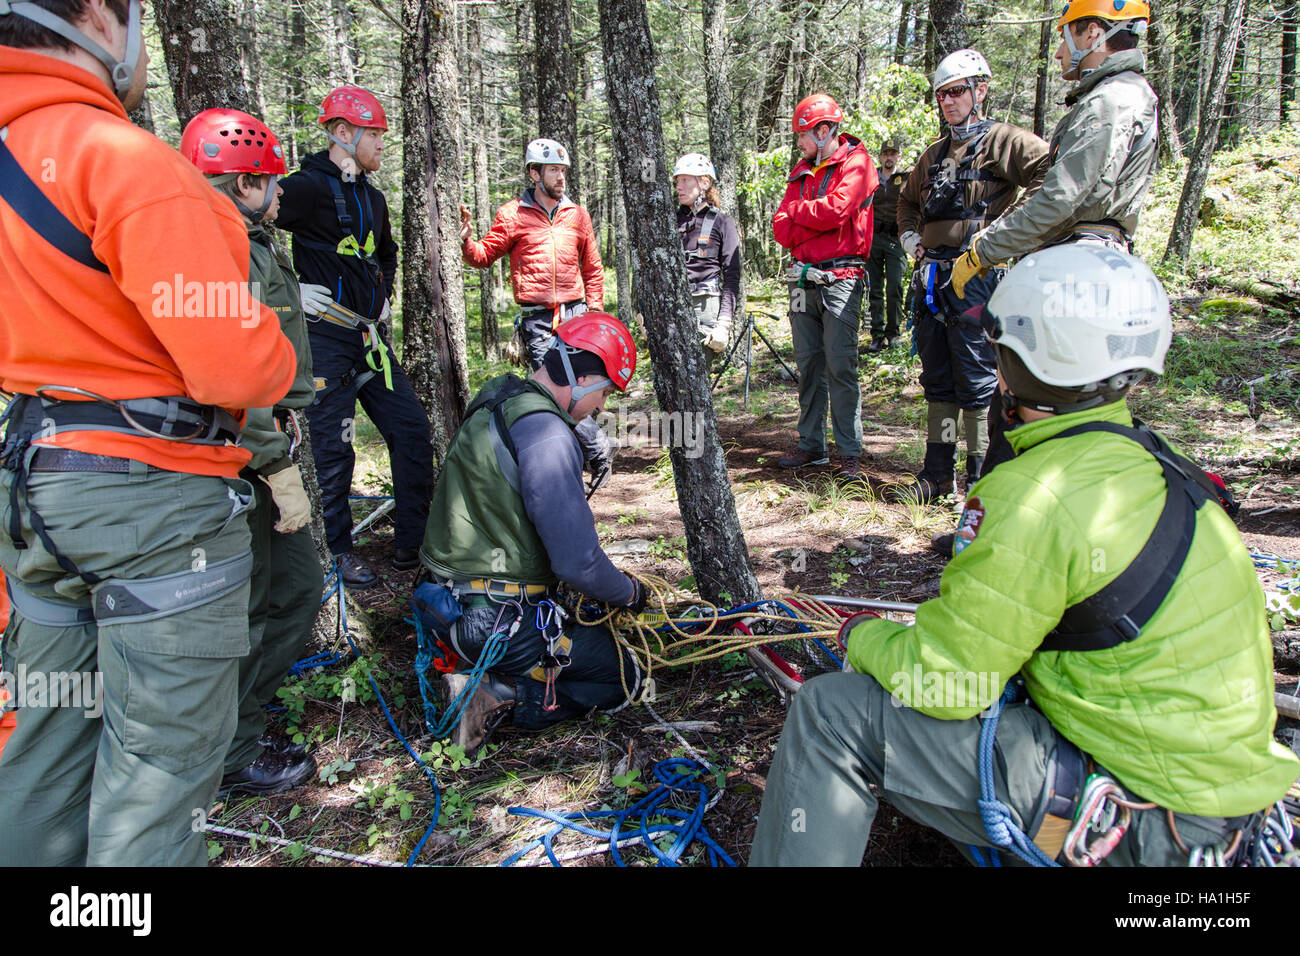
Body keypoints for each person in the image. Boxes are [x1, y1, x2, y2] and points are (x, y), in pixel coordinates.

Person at [750, 246, 1300, 867]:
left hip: (1146, 831)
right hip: (1221, 807)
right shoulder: (1162, 465)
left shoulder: (1034, 492)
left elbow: (946, 682)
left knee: (830, 714)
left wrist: (861, 635)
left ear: (1017, 362)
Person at [0, 0, 297, 866]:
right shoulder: (120, 160)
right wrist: (274, 340)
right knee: (159, 773)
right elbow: (235, 367)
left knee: (46, 755)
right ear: (98, 16)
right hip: (153, 512)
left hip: (35, 494)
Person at [417, 312, 646, 751]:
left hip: (445, 603)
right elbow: (578, 563)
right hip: (496, 619)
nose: (601, 407)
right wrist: (630, 593)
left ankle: (484, 674)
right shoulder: (548, 434)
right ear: (583, 377)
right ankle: (495, 696)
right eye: (604, 393)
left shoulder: (495, 401)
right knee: (624, 674)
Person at [950, 0, 1158, 478]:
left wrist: (983, 249)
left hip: (1078, 270)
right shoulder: (1117, 96)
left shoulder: (1111, 100)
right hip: (1082, 263)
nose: (1059, 54)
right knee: (1042, 398)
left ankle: (1002, 520)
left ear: (1091, 34)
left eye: (1065, 36)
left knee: (1033, 397)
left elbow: (1059, 198)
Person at [180, 108, 323, 796]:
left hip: (265, 442)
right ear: (242, 183)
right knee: (251, 600)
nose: (282, 191)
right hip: (238, 457)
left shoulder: (250, 240)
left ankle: (244, 718)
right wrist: (271, 461)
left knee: (293, 590)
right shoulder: (219, 251)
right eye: (270, 180)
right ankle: (232, 753)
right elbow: (226, 373)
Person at [276, 84, 434, 589]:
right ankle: (339, 551)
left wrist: (384, 291)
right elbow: (241, 224)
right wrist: (288, 289)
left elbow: (386, 252)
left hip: (369, 341)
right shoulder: (305, 188)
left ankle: (414, 543)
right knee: (332, 449)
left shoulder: (373, 196)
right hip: (325, 340)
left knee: (411, 432)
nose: (383, 144)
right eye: (375, 135)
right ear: (342, 133)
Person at [894, 50, 1049, 504]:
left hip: (978, 275)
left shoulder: (1005, 140)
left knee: (978, 378)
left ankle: (980, 476)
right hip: (932, 277)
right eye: (942, 94)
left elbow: (1050, 172)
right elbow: (905, 202)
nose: (949, 101)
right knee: (938, 379)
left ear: (981, 90)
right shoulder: (933, 154)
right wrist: (909, 241)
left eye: (957, 91)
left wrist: (1006, 232)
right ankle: (937, 474)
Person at [459, 139, 612, 482]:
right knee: (556, 389)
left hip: (576, 315)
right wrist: (466, 240)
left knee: (582, 386)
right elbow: (483, 256)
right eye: (554, 170)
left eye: (563, 170)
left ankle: (584, 457)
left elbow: (593, 268)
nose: (561, 177)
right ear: (534, 173)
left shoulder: (577, 214)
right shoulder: (513, 215)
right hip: (539, 320)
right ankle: (597, 453)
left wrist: (595, 314)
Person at [772, 93, 879, 482]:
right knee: (808, 365)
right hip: (802, 279)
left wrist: (799, 214)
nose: (798, 142)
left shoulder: (858, 163)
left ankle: (850, 453)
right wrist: (808, 223)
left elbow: (838, 210)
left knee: (840, 366)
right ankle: (812, 445)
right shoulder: (801, 170)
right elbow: (779, 228)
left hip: (842, 280)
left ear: (823, 130)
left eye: (802, 134)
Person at [673, 153, 741, 364]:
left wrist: (724, 323)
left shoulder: (722, 222)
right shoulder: (670, 221)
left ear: (704, 182)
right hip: (673, 304)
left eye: (685, 179)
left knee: (697, 378)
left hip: (705, 307)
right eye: (677, 181)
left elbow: (732, 275)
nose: (679, 187)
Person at [866, 141, 909, 353]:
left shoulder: (906, 179)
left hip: (895, 240)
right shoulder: (870, 176)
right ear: (880, 157)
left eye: (893, 153)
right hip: (873, 238)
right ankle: (877, 334)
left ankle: (894, 333)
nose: (889, 158)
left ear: (898, 156)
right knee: (874, 288)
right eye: (885, 154)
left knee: (894, 286)